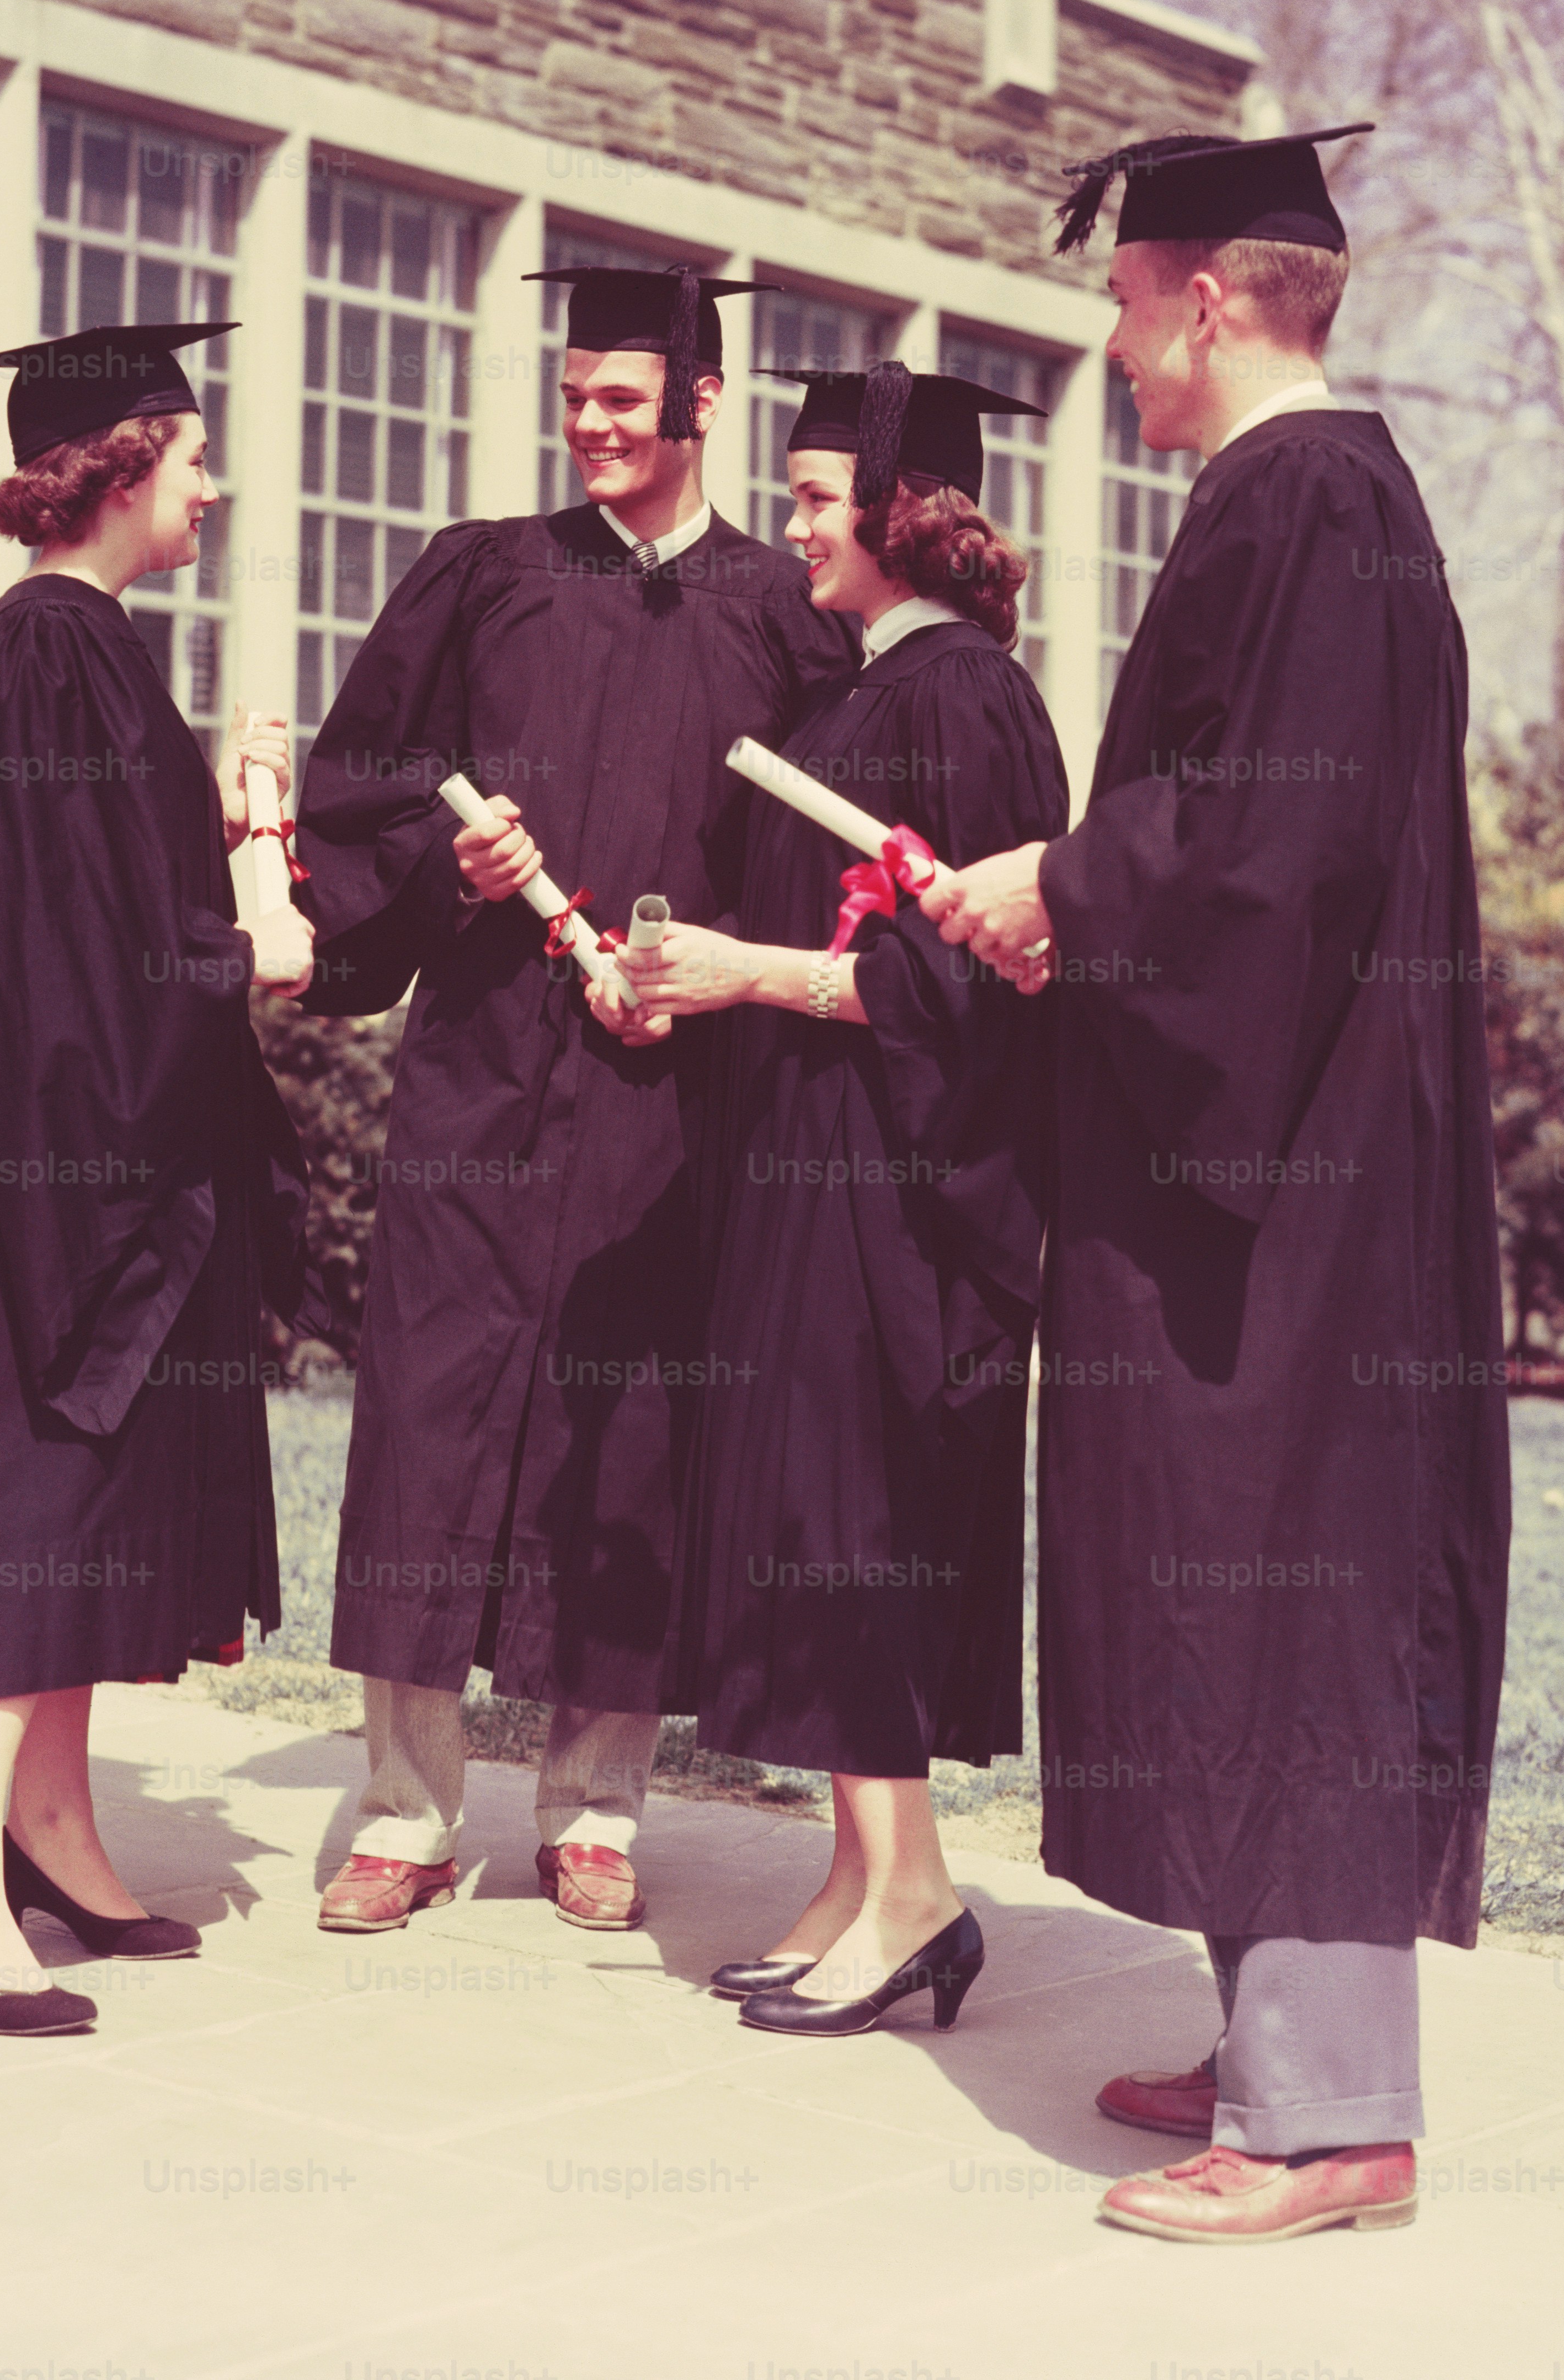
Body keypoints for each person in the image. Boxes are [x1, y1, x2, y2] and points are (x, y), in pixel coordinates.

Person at [922, 129, 1512, 2236]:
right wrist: (1080, 900)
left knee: (1302, 1592)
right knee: (1228, 1581)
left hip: (1301, 1196)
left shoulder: (1313, 508)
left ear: (1204, 298)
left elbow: (1281, 854)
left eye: (1122, 299)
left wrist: (1062, 888)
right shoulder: (1294, 509)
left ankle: (1336, 2118)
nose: (1112, 342)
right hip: (1261, 1166)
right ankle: (1269, 2040)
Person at [292, 266, 856, 1936]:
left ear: (700, 403)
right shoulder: (483, 575)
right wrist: (451, 871)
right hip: (486, 1060)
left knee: (630, 1429)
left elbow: (820, 851)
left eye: (628, 398)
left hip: (670, 1084)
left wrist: (726, 968)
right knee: (430, 1407)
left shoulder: (781, 612)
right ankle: (402, 1808)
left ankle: (597, 1805)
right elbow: (361, 780)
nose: (595, 423)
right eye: (577, 395)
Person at [0, 323, 322, 2037]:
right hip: (33, 1175)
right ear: (119, 467)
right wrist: (243, 954)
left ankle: (49, 1828)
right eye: (192, 457)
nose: (215, 485)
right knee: (24, 1499)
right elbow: (71, 963)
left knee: (81, 1492)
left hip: (63, 1148)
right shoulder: (54, 658)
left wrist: (248, 834)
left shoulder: (83, 652)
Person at [621, 364, 1067, 2035]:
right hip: (816, 1180)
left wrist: (754, 976)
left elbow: (971, 988)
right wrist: (696, 977)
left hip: (901, 1202)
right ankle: (855, 1879)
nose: (793, 524)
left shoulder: (968, 700)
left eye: (817, 499)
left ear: (900, 513)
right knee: (808, 1520)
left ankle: (920, 1894)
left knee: (855, 1522)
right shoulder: (855, 688)